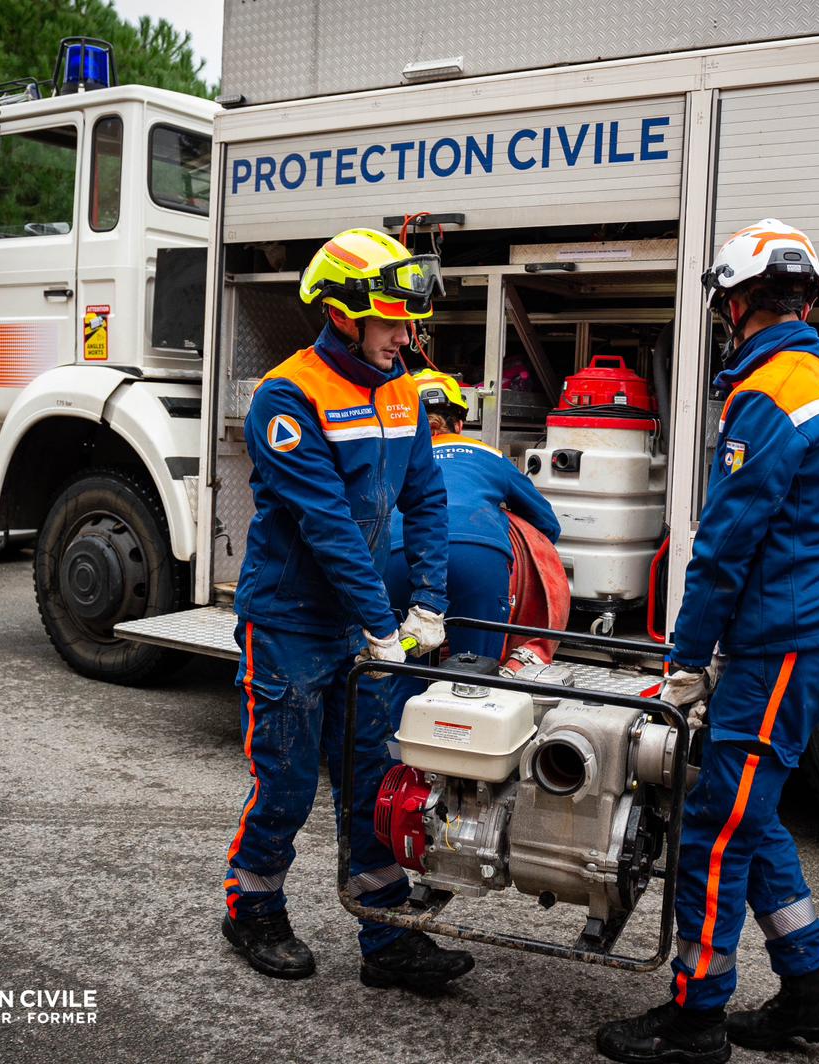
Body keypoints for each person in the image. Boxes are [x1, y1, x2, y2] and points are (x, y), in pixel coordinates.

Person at [597, 219, 819, 1063]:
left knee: (715, 823)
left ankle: (695, 1015)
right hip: (810, 638)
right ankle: (807, 989)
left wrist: (683, 660)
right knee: (748, 810)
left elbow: (725, 544)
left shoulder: (767, 394)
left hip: (780, 646)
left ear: (738, 304)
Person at [220, 227, 475, 992]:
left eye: (408, 321)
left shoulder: (402, 390)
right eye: (394, 321)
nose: (407, 335)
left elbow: (428, 498)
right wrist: (378, 621)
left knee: (373, 781)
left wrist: (427, 601)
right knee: (289, 778)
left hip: (362, 626)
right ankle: (253, 907)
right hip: (292, 623)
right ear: (342, 314)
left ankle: (387, 937)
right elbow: (326, 524)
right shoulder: (286, 397)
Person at [382, 368, 562, 665]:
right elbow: (546, 525)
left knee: (403, 672)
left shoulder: (390, 458)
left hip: (403, 555)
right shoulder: (489, 456)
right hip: (478, 556)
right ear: (461, 423)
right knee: (473, 675)